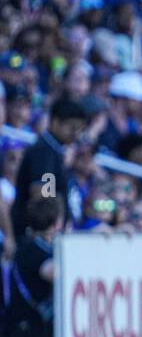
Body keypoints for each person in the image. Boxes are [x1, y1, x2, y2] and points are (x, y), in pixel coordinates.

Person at [5, 194, 61, 337]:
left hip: (30, 324)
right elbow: (52, 272)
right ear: (56, 222)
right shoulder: (33, 249)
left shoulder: (34, 245)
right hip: (25, 328)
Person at [11, 95, 87, 236]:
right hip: (37, 234)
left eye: (79, 129)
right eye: (72, 127)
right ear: (56, 122)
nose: (76, 134)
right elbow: (43, 195)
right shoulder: (44, 152)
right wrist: (51, 226)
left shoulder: (53, 151)